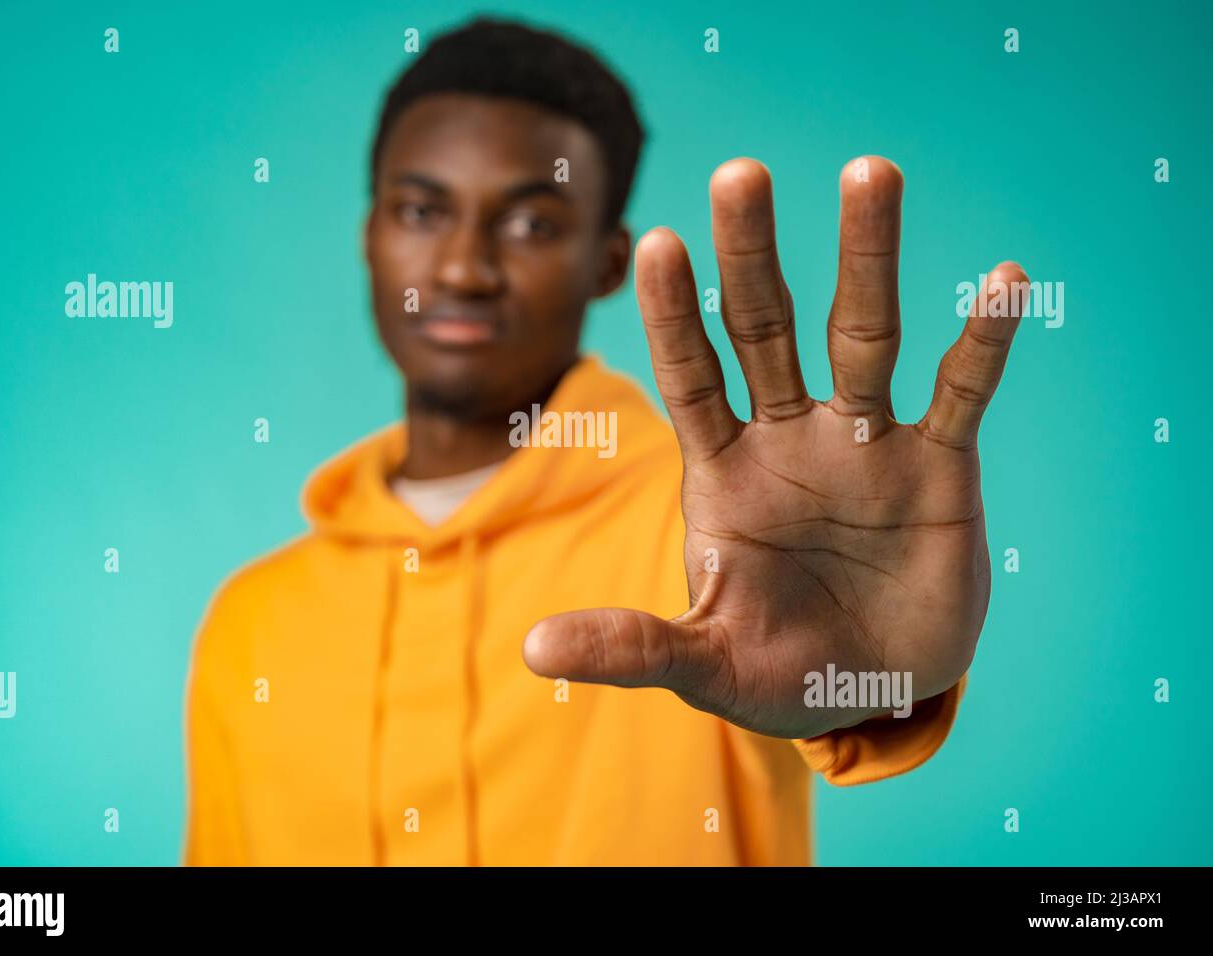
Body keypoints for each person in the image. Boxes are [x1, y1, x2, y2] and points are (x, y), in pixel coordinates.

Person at [182, 16, 1027, 866]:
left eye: (531, 224)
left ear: (607, 262)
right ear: (369, 234)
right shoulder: (249, 627)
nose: (461, 269)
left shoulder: (726, 533)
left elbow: (833, 677)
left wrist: (876, 685)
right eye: (420, 209)